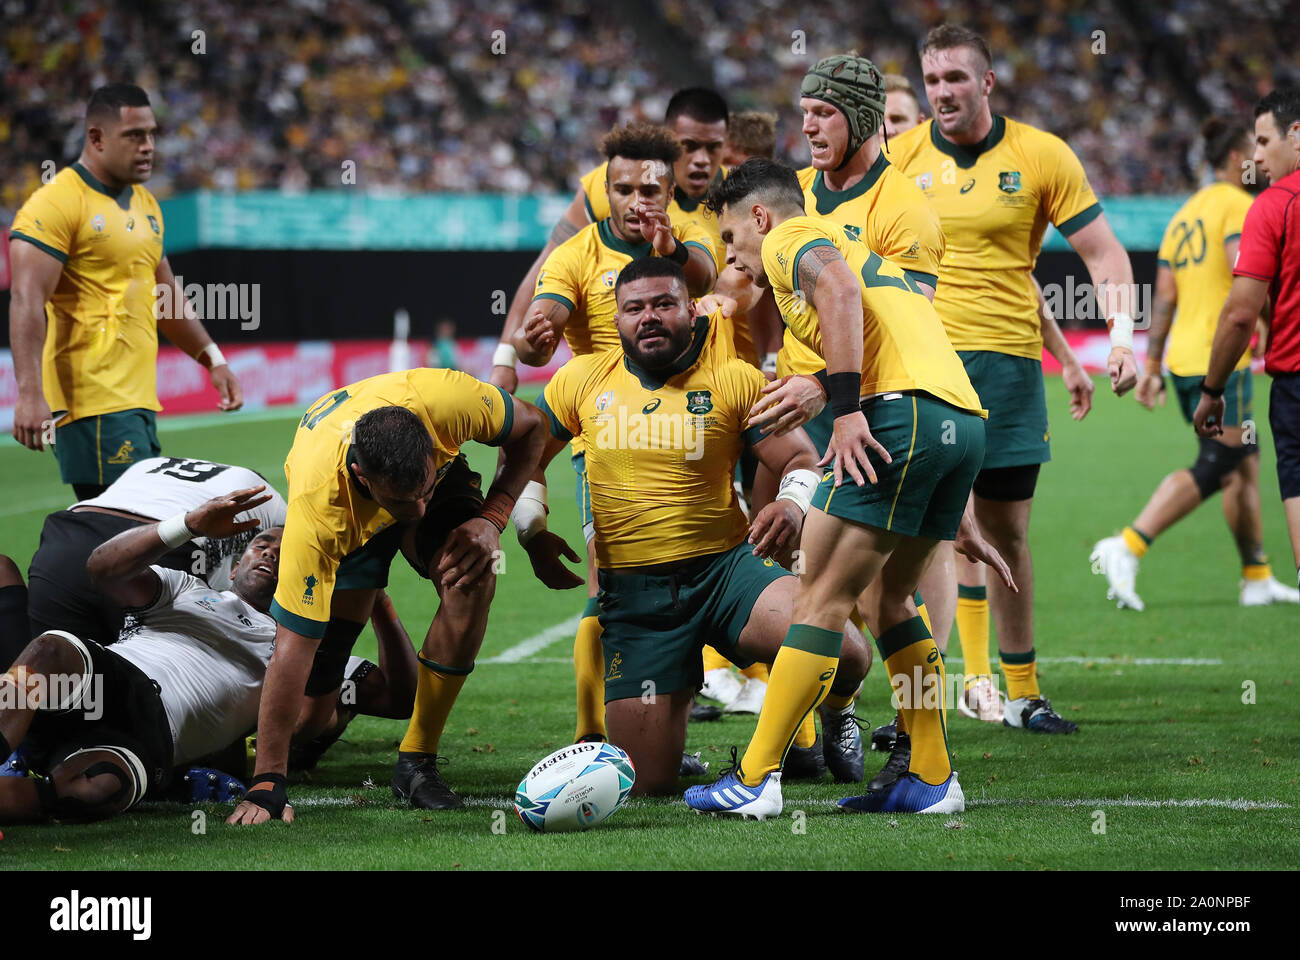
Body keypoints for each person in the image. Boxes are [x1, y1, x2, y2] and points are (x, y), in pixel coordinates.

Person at [685, 159, 1011, 817]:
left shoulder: (787, 239)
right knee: (890, 600)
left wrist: (849, 408)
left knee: (821, 597)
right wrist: (958, 499)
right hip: (959, 420)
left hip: (901, 414)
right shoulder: (852, 243)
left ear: (758, 216)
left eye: (727, 238)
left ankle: (754, 778)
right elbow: (905, 327)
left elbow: (838, 292)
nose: (730, 255)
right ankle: (933, 775)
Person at [528, 256, 870, 792]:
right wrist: (531, 527)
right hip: (639, 601)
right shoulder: (579, 380)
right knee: (644, 785)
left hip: (727, 576)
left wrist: (791, 504)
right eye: (634, 308)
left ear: (691, 310)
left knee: (847, 648)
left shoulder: (734, 380)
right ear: (616, 320)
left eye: (664, 304)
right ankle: (675, 706)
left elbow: (800, 458)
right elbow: (526, 455)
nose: (649, 317)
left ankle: (838, 710)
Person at [885, 24, 1137, 735]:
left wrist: (1112, 342)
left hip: (1011, 366)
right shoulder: (898, 159)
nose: (942, 93)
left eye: (956, 79)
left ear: (987, 82)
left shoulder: (1041, 155)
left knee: (1007, 533)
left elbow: (1104, 254)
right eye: (932, 80)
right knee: (933, 531)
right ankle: (961, 684)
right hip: (926, 365)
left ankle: (1022, 690)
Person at [225, 368, 574, 824]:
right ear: (362, 477)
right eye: (405, 504)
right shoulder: (319, 514)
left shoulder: (448, 403)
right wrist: (268, 783)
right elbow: (292, 649)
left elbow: (532, 427)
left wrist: (493, 517)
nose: (420, 512)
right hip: (353, 526)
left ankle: (417, 761)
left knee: (470, 574)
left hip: (416, 478)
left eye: (424, 492)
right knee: (309, 719)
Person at [511, 122, 720, 747]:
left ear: (670, 186)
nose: (637, 201)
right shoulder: (576, 256)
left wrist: (673, 251)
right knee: (613, 591)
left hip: (703, 438)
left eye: (650, 189)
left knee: (698, 589)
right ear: (605, 188)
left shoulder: (693, 235)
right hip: (612, 447)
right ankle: (590, 736)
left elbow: (705, 275)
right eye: (622, 188)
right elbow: (543, 314)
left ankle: (761, 727)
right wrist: (533, 336)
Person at [1093, 118, 1297, 609]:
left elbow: (1164, 295)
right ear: (1234, 157)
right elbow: (1246, 272)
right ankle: (1127, 544)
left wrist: (1156, 364)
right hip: (1221, 358)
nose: (1259, 160)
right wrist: (1277, 322)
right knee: (1222, 460)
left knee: (1243, 467)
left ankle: (1256, 576)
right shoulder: (1237, 205)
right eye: (1255, 149)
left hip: (1186, 359)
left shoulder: (1184, 214)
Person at [8, 84, 243, 499]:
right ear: (96, 138)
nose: (148, 146)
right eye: (134, 136)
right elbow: (27, 300)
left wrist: (213, 359)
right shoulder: (55, 204)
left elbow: (165, 296)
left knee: (126, 543)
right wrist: (29, 394)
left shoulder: (146, 204)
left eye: (152, 134)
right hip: (92, 404)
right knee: (126, 537)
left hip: (136, 402)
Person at [0, 489, 278, 824]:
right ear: (233, 570)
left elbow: (323, 705)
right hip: (109, 685)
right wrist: (188, 525)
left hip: (152, 734)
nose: (272, 554)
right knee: (49, 650)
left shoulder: (291, 644)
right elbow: (102, 568)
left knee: (97, 791)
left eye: (286, 554)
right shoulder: (188, 588)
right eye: (262, 545)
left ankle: (22, 765)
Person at [19, 457, 286, 667]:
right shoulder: (271, 503)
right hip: (156, 554)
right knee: (146, 689)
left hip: (65, 542)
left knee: (46, 689)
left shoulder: (150, 465)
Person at [1195, 88, 1300, 586]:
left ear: (1296, 135)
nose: (1256, 156)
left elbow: (1240, 315)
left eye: (1263, 141)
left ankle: (1131, 541)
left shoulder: (1271, 206)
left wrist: (1211, 390)